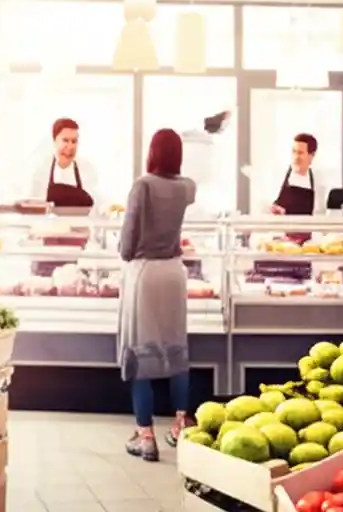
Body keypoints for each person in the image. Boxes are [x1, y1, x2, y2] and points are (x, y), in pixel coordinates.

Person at [118, 128, 197, 462]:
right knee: (176, 350)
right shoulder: (187, 187)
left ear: (151, 152)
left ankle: (146, 435)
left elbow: (127, 242)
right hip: (175, 273)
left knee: (141, 354)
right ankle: (181, 426)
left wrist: (125, 252)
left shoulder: (143, 186)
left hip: (146, 273)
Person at [30, 118, 98, 209]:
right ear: (54, 141)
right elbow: (34, 208)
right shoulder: (41, 170)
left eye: (74, 141)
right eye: (65, 140)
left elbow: (96, 205)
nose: (70, 147)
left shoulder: (87, 169)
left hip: (80, 222)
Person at [270, 133, 329, 216]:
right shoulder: (279, 176)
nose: (296, 157)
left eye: (300, 153)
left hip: (307, 227)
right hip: (283, 227)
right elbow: (264, 207)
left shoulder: (318, 181)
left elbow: (320, 213)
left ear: (311, 156)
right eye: (294, 152)